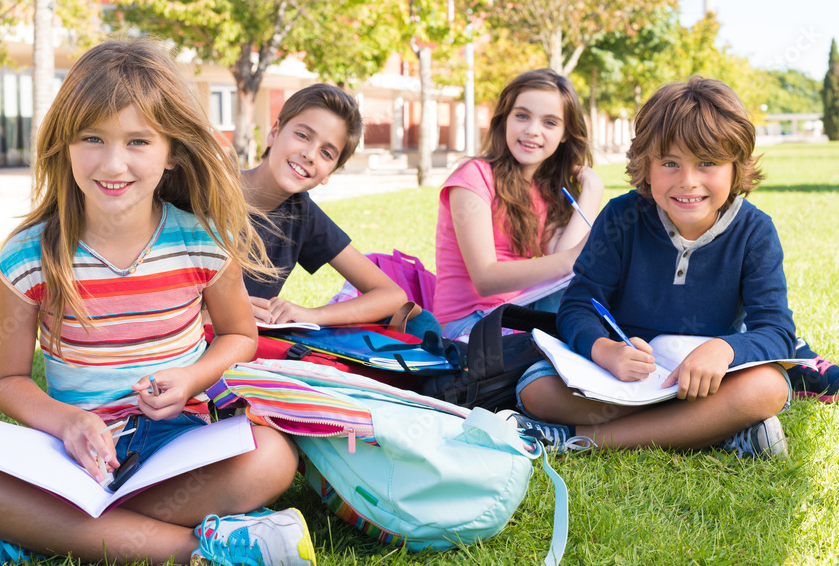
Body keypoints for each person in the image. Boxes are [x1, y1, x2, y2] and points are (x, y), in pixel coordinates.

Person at [0, 40, 316, 566]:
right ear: (64, 143)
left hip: (178, 445)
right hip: (70, 450)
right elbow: (6, 381)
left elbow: (240, 336)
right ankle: (195, 551)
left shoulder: (203, 242)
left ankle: (27, 532)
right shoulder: (26, 258)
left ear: (170, 149)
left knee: (271, 459)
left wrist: (191, 379)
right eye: (92, 138)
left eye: (137, 142)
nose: (113, 162)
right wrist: (66, 423)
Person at [512, 76, 799, 459]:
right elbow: (579, 304)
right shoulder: (621, 217)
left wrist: (724, 351)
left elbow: (777, 331)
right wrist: (604, 350)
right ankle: (718, 431)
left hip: (705, 384)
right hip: (617, 382)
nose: (688, 181)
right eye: (669, 163)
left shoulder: (754, 231)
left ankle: (579, 438)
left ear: (737, 167)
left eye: (707, 163)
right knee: (536, 390)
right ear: (645, 166)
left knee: (768, 387)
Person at [434, 69, 603, 341]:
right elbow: (485, 279)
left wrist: (592, 191)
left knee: (585, 295)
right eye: (522, 115)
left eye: (549, 122)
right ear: (504, 121)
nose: (532, 130)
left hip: (521, 309)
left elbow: (562, 259)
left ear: (564, 135)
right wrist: (571, 259)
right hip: (469, 324)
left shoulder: (543, 189)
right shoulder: (474, 176)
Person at [240, 83, 407, 326]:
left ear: (330, 173)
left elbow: (392, 296)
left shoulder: (301, 212)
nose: (309, 154)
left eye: (326, 153)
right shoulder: (208, 191)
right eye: (302, 135)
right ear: (274, 132)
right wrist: (219, 314)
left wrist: (312, 315)